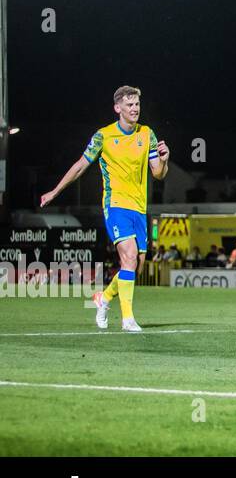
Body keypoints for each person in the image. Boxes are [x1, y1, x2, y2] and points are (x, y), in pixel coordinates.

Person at [40, 85, 169, 333]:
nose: (134, 109)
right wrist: (55, 191)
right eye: (129, 105)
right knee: (129, 256)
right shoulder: (103, 136)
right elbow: (79, 167)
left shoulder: (147, 134)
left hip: (139, 208)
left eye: (137, 105)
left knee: (135, 266)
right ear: (117, 108)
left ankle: (104, 298)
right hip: (116, 204)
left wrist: (164, 160)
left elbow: (158, 174)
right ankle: (128, 320)